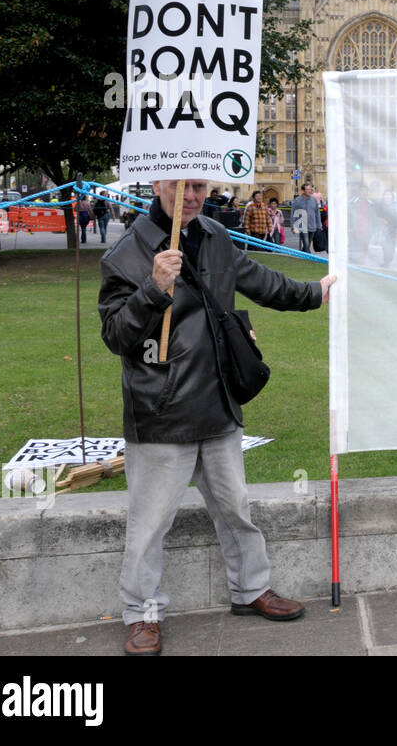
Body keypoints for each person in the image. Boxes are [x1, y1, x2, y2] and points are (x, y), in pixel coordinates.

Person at [98, 178, 336, 655]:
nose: (191, 196)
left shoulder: (214, 234)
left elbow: (259, 280)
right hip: (161, 412)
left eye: (200, 188)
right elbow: (116, 336)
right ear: (160, 183)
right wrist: (153, 288)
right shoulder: (127, 253)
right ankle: (143, 613)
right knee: (149, 525)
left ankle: (251, 589)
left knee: (236, 510)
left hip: (220, 401)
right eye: (181, 187)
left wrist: (315, 292)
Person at [290, 182, 320, 253]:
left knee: (307, 245)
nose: (310, 191)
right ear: (303, 190)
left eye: (310, 189)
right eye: (307, 189)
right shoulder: (297, 200)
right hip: (302, 226)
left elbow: (317, 213)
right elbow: (293, 213)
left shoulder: (314, 200)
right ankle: (310, 259)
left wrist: (319, 225)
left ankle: (301, 256)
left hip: (312, 226)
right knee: (306, 245)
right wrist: (292, 227)